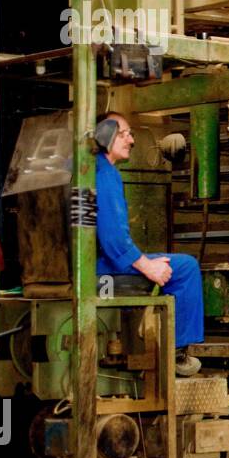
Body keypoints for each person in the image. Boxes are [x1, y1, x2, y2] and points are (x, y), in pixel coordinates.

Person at [94, 112, 203, 376]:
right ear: (104, 135)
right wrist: (148, 267)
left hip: (97, 262)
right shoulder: (104, 174)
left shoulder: (94, 170)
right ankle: (175, 355)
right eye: (125, 134)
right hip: (102, 268)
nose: (131, 140)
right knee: (186, 268)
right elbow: (112, 238)